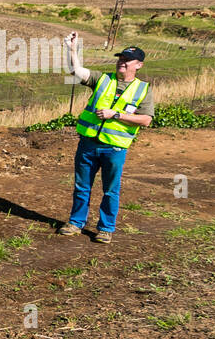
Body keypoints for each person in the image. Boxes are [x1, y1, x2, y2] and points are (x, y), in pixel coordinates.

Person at [59, 32, 153, 244]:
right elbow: (76, 70)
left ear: (138, 65)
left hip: (115, 149)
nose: (122, 62)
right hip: (88, 144)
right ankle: (75, 223)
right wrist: (71, 49)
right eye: (120, 59)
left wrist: (116, 115)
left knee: (111, 190)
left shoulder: (143, 89)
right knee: (82, 186)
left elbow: (146, 119)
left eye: (127, 60)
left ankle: (105, 228)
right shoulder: (102, 79)